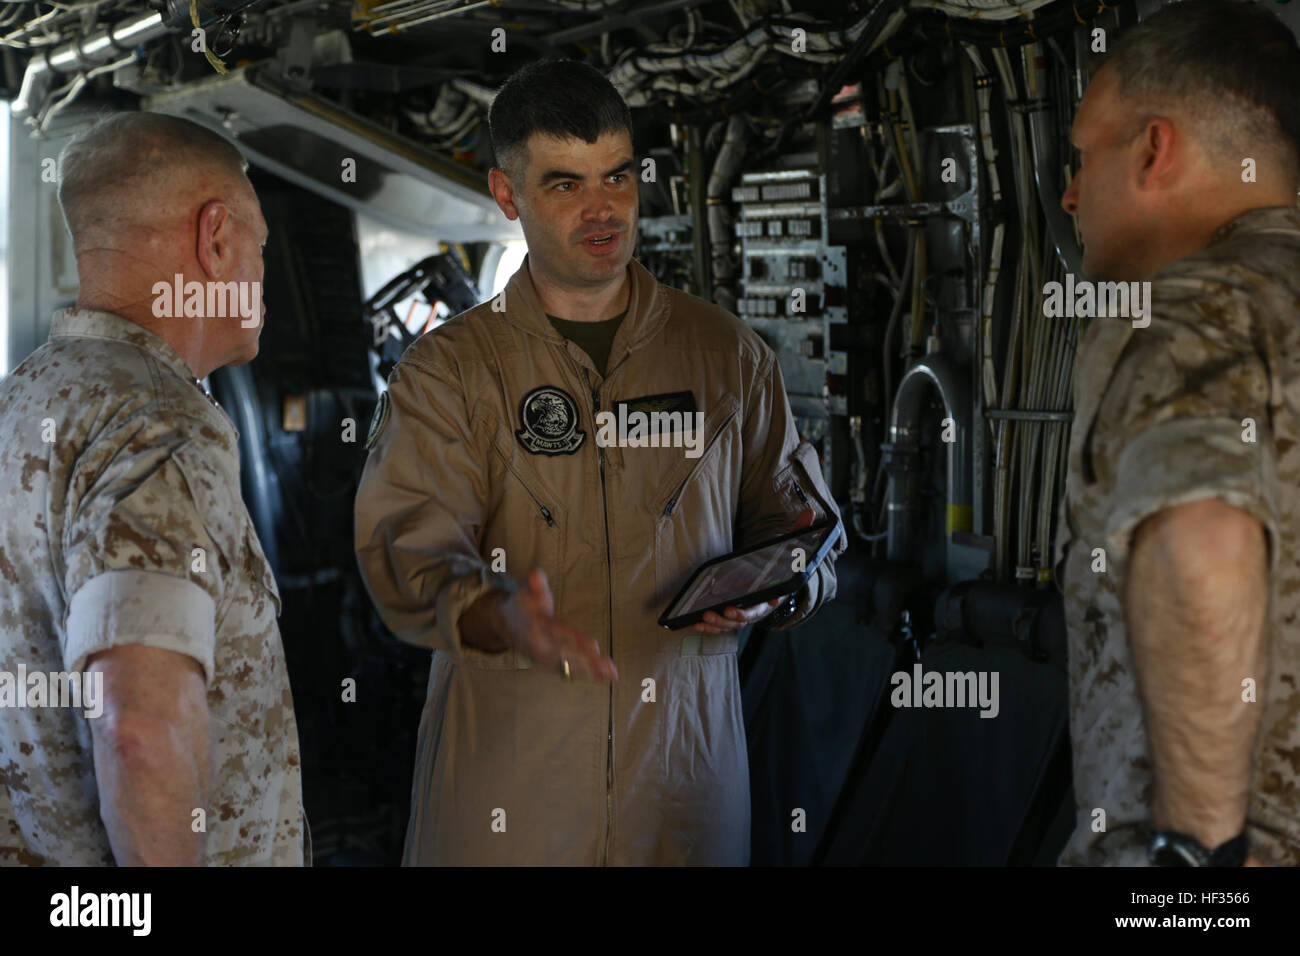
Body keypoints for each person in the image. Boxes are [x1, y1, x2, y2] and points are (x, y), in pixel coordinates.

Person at [354, 59, 845, 865]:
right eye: (564, 184)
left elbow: (806, 534)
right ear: (507, 196)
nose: (601, 209)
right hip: (511, 792)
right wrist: (497, 613)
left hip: (683, 785)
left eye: (617, 176)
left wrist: (777, 593)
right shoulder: (449, 372)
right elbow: (406, 556)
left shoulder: (727, 357)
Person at [0, 113, 308, 865]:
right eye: (259, 245)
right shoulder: (159, 431)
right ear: (214, 239)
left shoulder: (23, 400)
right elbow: (137, 726)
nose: (261, 271)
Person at [1054, 0, 1300, 866]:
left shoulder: (1183, 315)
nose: (1070, 192)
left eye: (1085, 155)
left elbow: (1204, 542)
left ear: (1155, 150)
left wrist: (1196, 865)